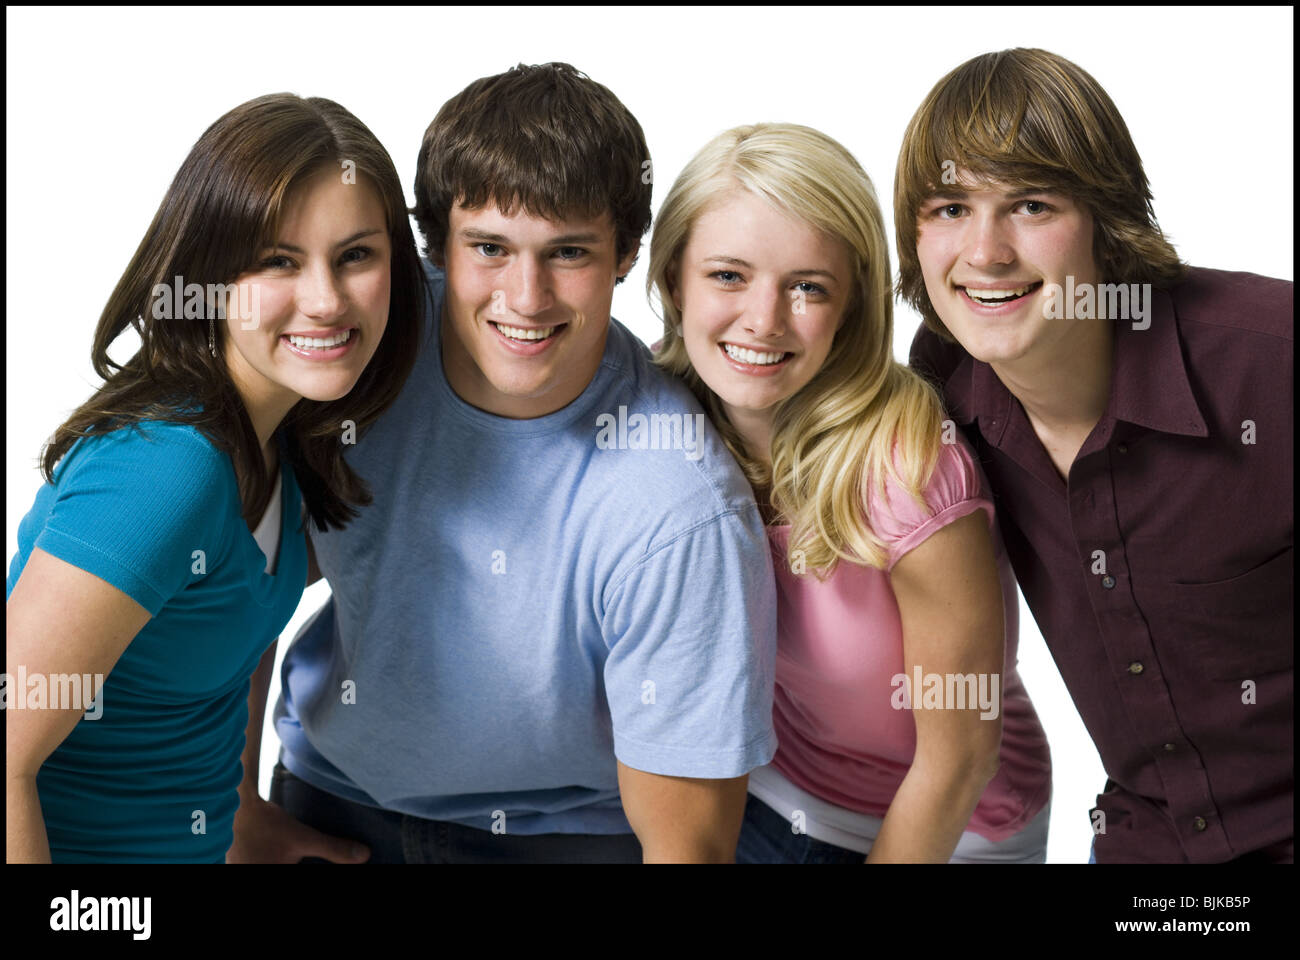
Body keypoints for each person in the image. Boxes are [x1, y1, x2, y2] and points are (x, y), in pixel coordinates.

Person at [229, 63, 778, 865]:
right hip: (331, 796)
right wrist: (235, 799)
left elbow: (685, 849)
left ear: (626, 253)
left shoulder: (680, 503)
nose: (526, 297)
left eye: (568, 253)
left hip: (566, 836)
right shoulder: (348, 345)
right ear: (435, 245)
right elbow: (237, 569)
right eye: (489, 247)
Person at [5, 93, 423, 862]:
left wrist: (242, 812)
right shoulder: (167, 470)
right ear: (207, 274)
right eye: (278, 262)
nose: (327, 300)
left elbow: (229, 638)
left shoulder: (286, 442)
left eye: (356, 255)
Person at [902, 48, 1293, 863]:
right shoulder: (948, 388)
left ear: (1107, 224)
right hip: (1152, 855)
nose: (985, 252)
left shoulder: (1271, 364)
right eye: (948, 207)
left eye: (1032, 205)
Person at [649, 122, 1052, 863]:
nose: (762, 322)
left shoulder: (913, 472)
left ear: (853, 305)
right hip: (768, 790)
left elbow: (959, 760)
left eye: (807, 287)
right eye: (728, 276)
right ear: (674, 277)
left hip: (952, 826)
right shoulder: (658, 415)